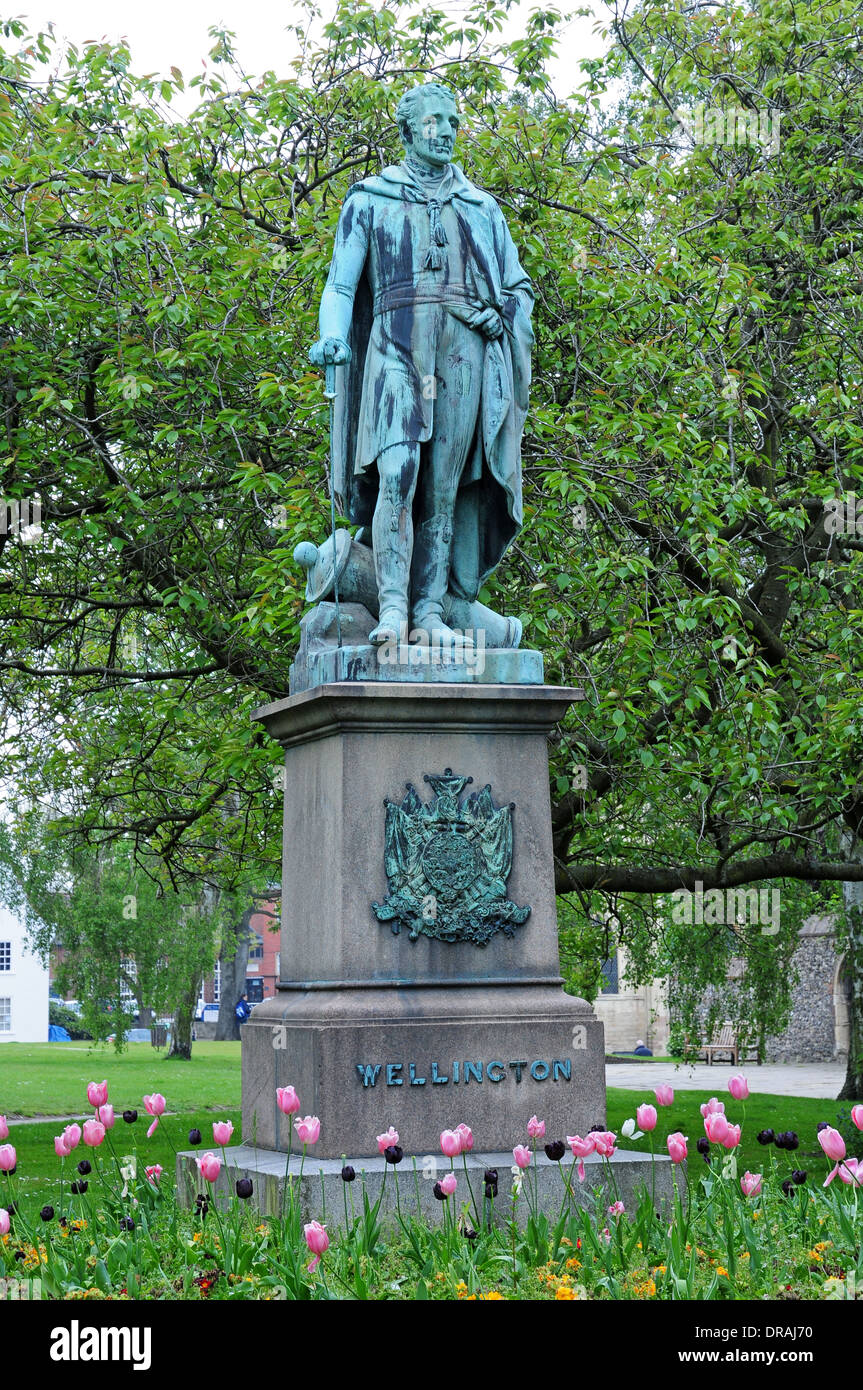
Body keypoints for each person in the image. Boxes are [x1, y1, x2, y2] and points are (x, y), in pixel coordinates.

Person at [309, 82, 534, 649]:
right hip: (396, 350)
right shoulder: (369, 199)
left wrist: (498, 313)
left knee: (444, 487)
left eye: (455, 121)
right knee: (399, 472)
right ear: (408, 130)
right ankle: (390, 608)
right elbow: (339, 284)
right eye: (435, 121)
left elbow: (518, 289)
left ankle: (430, 611)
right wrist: (332, 338)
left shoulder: (482, 208)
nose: (448, 131)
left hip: (462, 354)